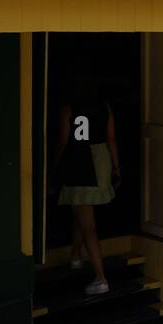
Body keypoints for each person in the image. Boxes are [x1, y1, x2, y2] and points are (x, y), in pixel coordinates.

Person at [52, 75, 121, 296]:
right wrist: (115, 166)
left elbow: (63, 140)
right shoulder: (104, 106)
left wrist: (55, 166)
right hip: (100, 157)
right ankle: (76, 254)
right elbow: (111, 139)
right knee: (79, 208)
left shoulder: (68, 108)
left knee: (86, 220)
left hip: (79, 159)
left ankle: (101, 278)